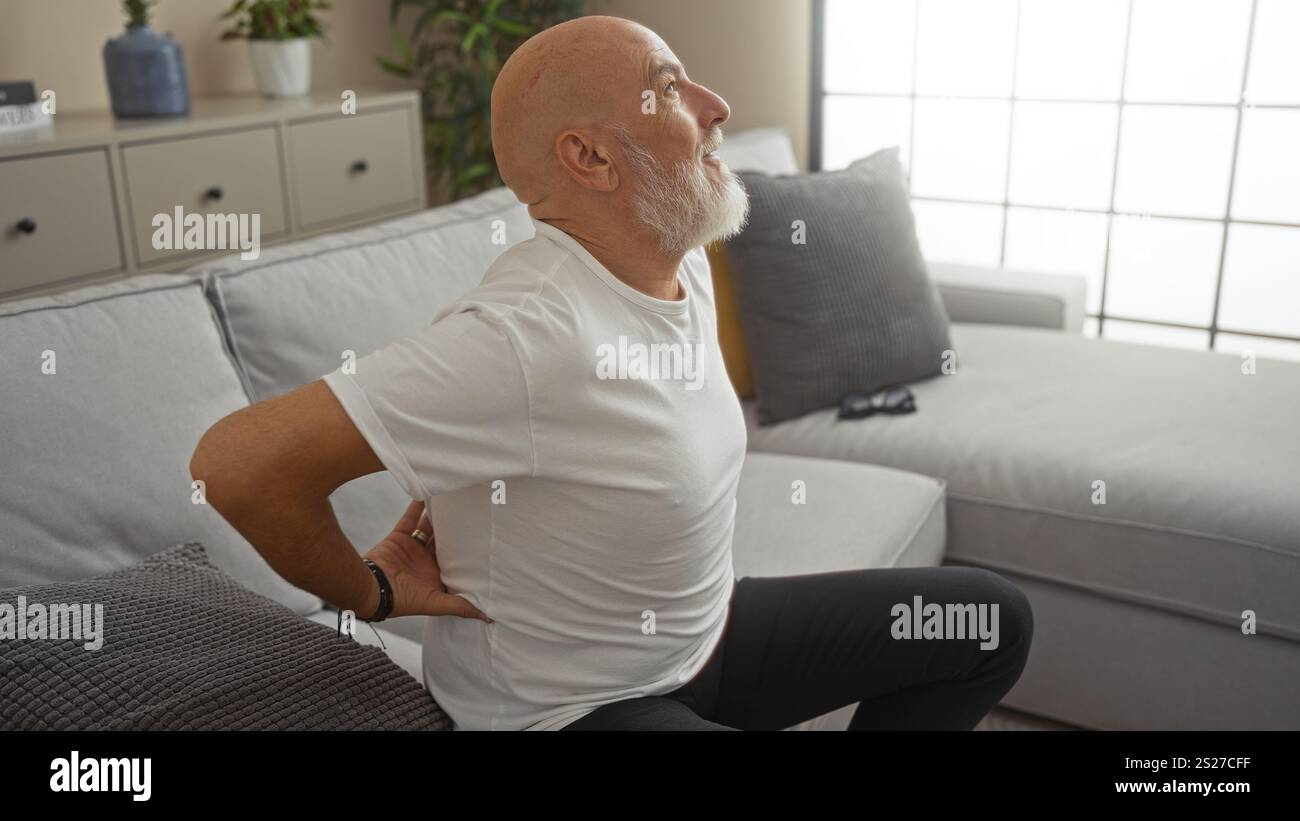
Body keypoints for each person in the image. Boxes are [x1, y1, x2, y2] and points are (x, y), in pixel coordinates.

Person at [189, 15, 1032, 731]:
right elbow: (239, 465)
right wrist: (369, 592)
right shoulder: (522, 336)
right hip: (576, 709)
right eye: (669, 88)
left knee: (985, 622)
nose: (715, 105)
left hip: (705, 639)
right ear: (591, 158)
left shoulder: (678, 254)